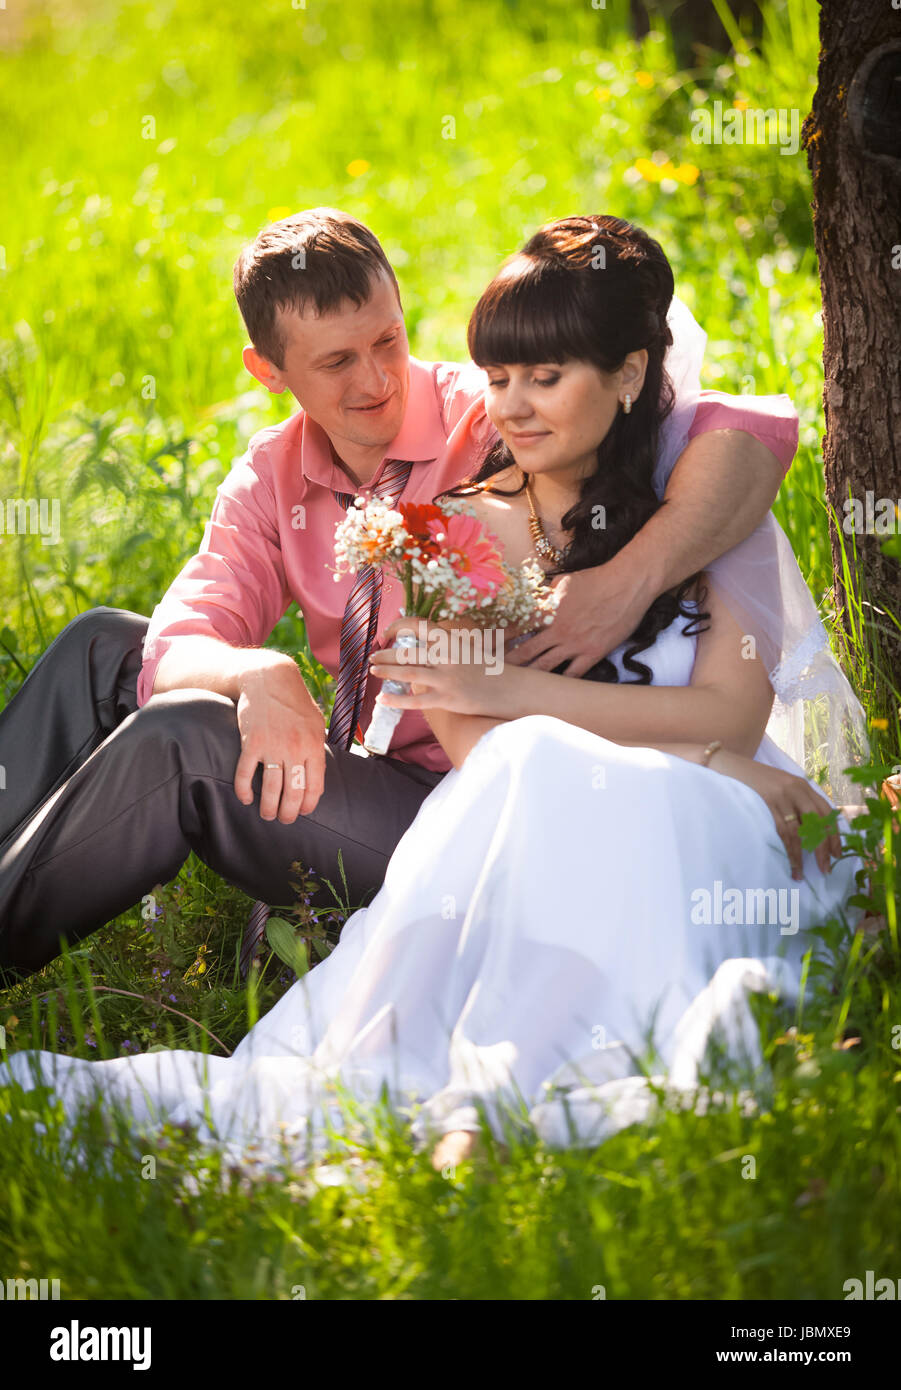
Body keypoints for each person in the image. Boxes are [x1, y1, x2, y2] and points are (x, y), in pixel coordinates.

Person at [0, 216, 867, 1173]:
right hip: (435, 773)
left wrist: (623, 584)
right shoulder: (306, 483)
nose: (375, 381)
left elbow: (742, 429)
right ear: (269, 370)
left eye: (388, 341)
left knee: (189, 737)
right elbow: (185, 640)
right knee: (104, 648)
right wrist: (260, 671)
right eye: (335, 362)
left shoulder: (494, 418)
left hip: (494, 794)